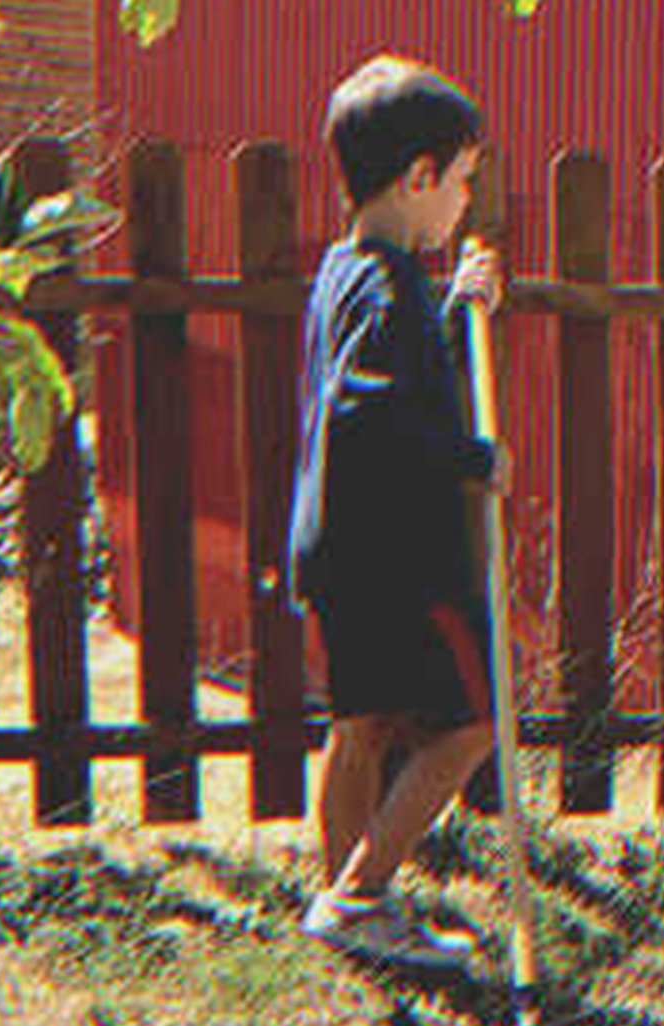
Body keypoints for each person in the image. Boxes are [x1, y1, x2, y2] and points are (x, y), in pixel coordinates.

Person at [285, 55, 507, 971]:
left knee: (362, 726)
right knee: (468, 724)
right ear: (420, 177)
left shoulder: (349, 274)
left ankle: (347, 909)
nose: (461, 201)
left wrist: (456, 314)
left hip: (333, 551)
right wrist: (469, 458)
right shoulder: (391, 290)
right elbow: (374, 409)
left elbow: (386, 379)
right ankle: (362, 895)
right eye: (460, 181)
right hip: (398, 563)